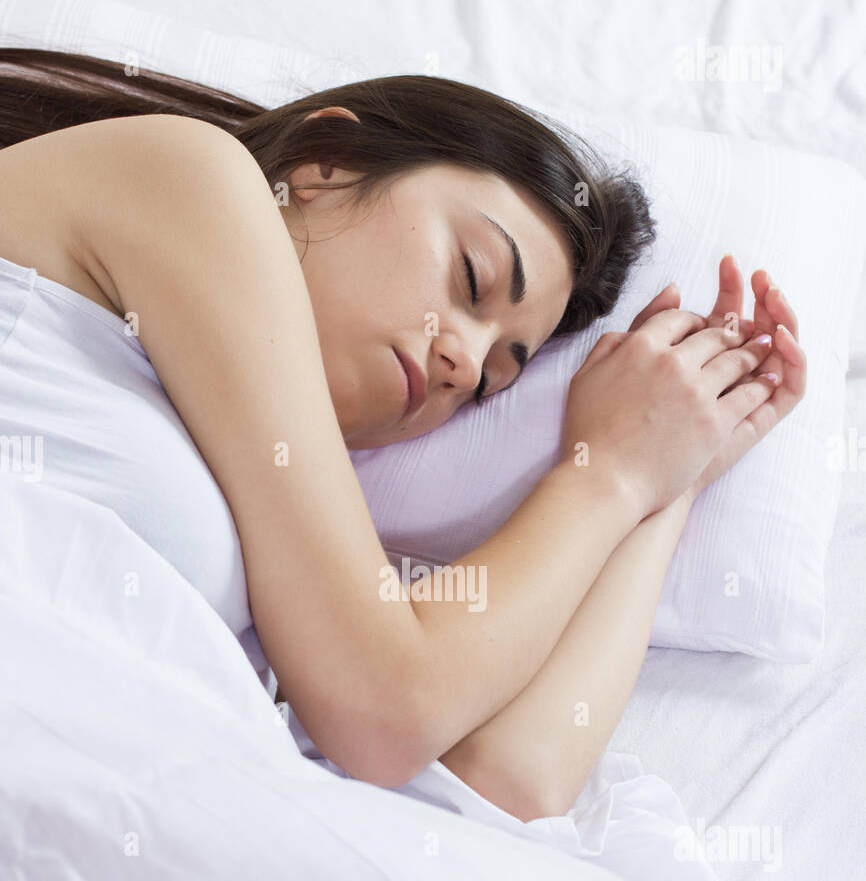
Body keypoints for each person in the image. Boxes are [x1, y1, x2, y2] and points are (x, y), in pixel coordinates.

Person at [0, 52, 805, 821]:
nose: (461, 361)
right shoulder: (190, 175)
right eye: (471, 278)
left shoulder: (275, 559)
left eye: (493, 377)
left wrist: (663, 479)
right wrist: (602, 481)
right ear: (325, 163)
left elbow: (502, 787)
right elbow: (389, 706)